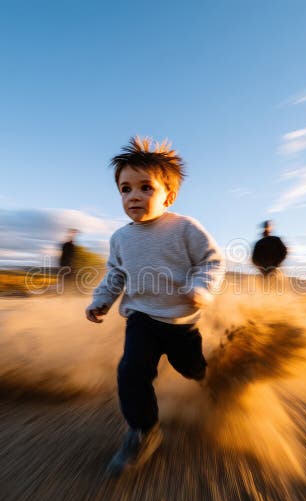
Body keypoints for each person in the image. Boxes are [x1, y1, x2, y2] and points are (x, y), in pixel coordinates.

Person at [85, 137, 225, 477]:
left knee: (192, 369)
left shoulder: (185, 228)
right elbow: (116, 274)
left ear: (169, 196)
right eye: (125, 188)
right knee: (131, 371)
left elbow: (212, 262)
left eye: (146, 187)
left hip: (181, 322)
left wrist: (201, 289)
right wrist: (101, 301)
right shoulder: (120, 238)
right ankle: (144, 431)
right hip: (142, 318)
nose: (134, 196)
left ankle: (217, 383)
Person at [59, 228, 78, 292]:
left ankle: (66, 292)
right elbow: (70, 256)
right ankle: (66, 292)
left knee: (66, 279)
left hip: (65, 265)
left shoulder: (66, 245)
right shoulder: (69, 245)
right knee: (68, 279)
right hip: (67, 265)